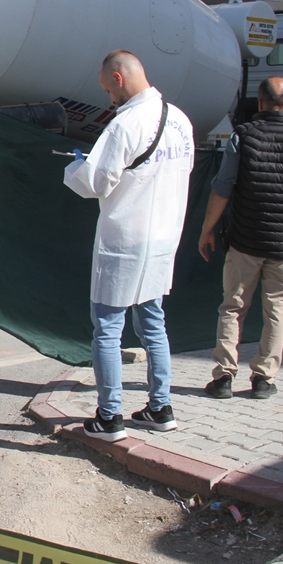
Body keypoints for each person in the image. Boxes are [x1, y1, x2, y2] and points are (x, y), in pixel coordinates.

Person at [63, 50, 194, 442]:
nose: (109, 99)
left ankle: (110, 416)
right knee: (153, 323)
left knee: (107, 328)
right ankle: (160, 406)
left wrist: (76, 167)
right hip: (163, 238)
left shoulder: (125, 126)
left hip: (125, 240)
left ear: (118, 78)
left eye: (107, 90)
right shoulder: (180, 120)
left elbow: (96, 183)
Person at [198, 76, 283, 400]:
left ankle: (224, 377)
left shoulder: (244, 136)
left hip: (245, 242)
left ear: (259, 103)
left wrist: (207, 229)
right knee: (278, 312)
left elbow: (222, 187)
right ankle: (263, 379)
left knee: (232, 307)